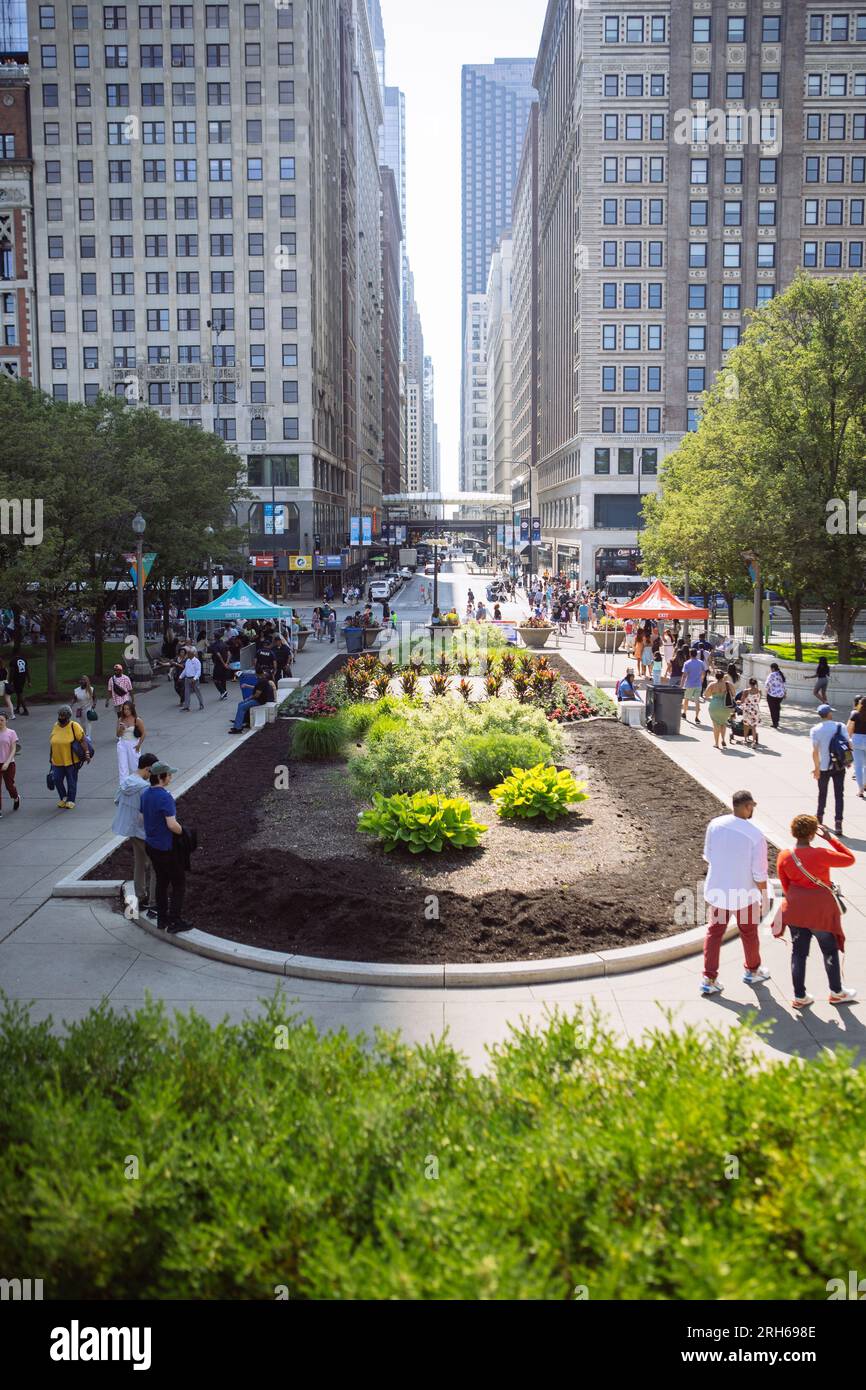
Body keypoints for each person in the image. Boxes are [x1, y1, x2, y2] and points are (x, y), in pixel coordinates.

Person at [776, 816, 857, 1008]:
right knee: (829, 949)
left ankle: (799, 996)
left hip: (796, 911)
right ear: (813, 834)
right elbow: (850, 859)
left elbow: (785, 885)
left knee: (798, 953)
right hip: (820, 912)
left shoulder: (784, 855)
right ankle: (836, 992)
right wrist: (830, 839)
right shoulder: (821, 854)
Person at [701, 789, 770, 997]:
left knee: (714, 933)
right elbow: (759, 872)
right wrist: (764, 897)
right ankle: (752, 970)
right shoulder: (756, 836)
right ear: (748, 806)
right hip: (744, 894)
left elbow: (708, 855)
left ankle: (709, 978)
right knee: (749, 933)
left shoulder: (715, 824)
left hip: (719, 890)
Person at [140, 762, 192, 933]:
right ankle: (175, 921)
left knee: (161, 882)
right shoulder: (165, 797)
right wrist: (183, 831)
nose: (171, 778)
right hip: (166, 848)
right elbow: (172, 824)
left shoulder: (146, 794)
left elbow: (141, 818)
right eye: (169, 775)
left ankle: (162, 919)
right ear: (161, 777)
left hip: (151, 845)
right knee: (179, 883)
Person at [112, 751, 159, 914]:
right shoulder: (144, 787)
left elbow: (117, 800)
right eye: (152, 772)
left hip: (130, 830)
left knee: (139, 863)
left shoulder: (127, 781)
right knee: (156, 865)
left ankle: (140, 895)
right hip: (143, 831)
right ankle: (154, 901)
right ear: (147, 769)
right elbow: (148, 811)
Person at [811, 702, 851, 835]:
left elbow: (815, 752)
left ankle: (819, 818)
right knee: (839, 794)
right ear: (829, 714)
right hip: (839, 766)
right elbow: (848, 745)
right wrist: (847, 760)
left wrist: (816, 768)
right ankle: (838, 823)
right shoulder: (840, 726)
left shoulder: (815, 730)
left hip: (823, 767)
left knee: (822, 793)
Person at [49, 705, 90, 810]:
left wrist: (87, 753)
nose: (60, 717)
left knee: (71, 781)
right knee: (57, 779)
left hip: (71, 761)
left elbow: (82, 740)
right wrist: (51, 757)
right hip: (57, 761)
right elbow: (53, 742)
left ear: (67, 716)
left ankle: (71, 800)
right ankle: (63, 797)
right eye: (59, 715)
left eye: (62, 715)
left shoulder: (74, 726)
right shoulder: (55, 726)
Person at [705, 668, 737, 749]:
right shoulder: (728, 684)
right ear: (723, 676)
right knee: (723, 723)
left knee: (716, 725)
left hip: (715, 706)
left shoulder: (712, 684)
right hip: (726, 706)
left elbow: (706, 695)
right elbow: (734, 694)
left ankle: (716, 743)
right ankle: (723, 739)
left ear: (716, 677)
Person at [116, 699, 145, 781]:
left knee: (135, 765)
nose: (126, 711)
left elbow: (143, 733)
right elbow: (118, 735)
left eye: (128, 709)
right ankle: (123, 786)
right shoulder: (120, 720)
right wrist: (121, 729)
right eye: (124, 709)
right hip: (122, 744)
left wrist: (139, 744)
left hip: (133, 744)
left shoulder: (137, 720)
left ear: (132, 709)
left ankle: (138, 783)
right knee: (122, 766)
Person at [229, 668, 261, 734]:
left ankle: (238, 728)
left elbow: (257, 695)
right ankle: (239, 724)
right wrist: (247, 685)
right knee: (241, 704)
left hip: (259, 701)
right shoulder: (261, 681)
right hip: (259, 699)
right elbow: (256, 688)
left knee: (242, 707)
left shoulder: (262, 682)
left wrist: (248, 698)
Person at [0, 711, 20, 816]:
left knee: (9, 786)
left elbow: (13, 750)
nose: (0, 722)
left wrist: (7, 762)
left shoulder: (11, 733)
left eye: (2, 720)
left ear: (6, 720)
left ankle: (16, 797)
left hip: (9, 763)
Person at [680, 647, 706, 724]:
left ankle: (684, 713)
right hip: (698, 684)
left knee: (686, 700)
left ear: (690, 654)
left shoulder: (687, 663)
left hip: (689, 684)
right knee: (697, 702)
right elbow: (703, 673)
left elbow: (684, 675)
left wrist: (681, 685)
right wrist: (701, 680)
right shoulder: (701, 663)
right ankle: (697, 717)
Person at [847, 696, 866, 799]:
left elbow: (849, 728)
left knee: (858, 766)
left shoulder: (855, 714)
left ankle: (860, 790)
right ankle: (865, 783)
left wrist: (849, 740)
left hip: (857, 740)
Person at [209, 632, 232, 701]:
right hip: (224, 664)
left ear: (215, 637)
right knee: (223, 680)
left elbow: (218, 655)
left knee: (215, 679)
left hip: (219, 664)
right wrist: (226, 663)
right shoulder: (224, 644)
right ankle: (225, 695)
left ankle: (223, 691)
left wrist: (223, 663)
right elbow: (229, 654)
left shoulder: (214, 645)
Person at [740, 678, 763, 749]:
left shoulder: (746, 691)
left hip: (747, 709)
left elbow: (742, 700)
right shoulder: (759, 691)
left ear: (749, 683)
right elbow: (758, 700)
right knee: (754, 726)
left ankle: (745, 739)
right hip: (755, 709)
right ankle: (753, 742)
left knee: (746, 725)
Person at [764, 663, 787, 730]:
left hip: (772, 694)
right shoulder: (781, 674)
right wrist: (785, 693)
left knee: (772, 709)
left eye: (771, 668)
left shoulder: (772, 675)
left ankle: (775, 723)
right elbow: (784, 684)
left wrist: (766, 692)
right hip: (780, 695)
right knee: (777, 708)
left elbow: (767, 684)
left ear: (773, 668)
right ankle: (777, 721)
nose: (771, 670)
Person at [180, 647, 204, 711]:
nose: (187, 655)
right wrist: (181, 676)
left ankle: (201, 704)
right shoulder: (187, 661)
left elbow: (198, 671)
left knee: (197, 692)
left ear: (193, 654)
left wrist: (195, 678)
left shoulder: (196, 661)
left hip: (194, 679)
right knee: (187, 693)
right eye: (187, 653)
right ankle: (186, 706)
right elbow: (185, 670)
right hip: (187, 679)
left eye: (189, 653)